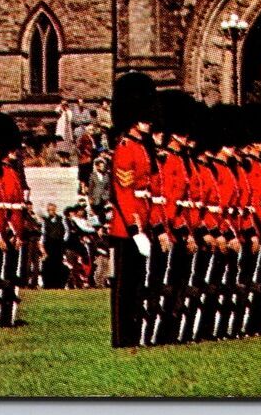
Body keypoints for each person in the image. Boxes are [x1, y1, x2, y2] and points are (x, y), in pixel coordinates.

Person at [107, 71, 155, 348]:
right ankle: (122, 337)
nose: (148, 121)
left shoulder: (141, 147)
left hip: (140, 224)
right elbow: (125, 192)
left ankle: (132, 334)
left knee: (136, 285)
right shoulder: (125, 148)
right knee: (125, 287)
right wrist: (136, 229)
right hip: (127, 229)